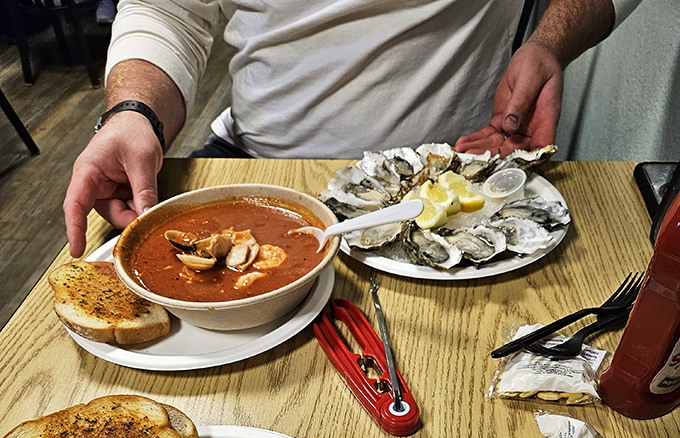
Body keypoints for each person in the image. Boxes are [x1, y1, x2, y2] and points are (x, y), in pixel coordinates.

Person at [63, 0, 642, 258]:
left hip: (456, 182)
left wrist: (549, 42)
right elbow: (171, 9)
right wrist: (134, 111)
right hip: (250, 159)